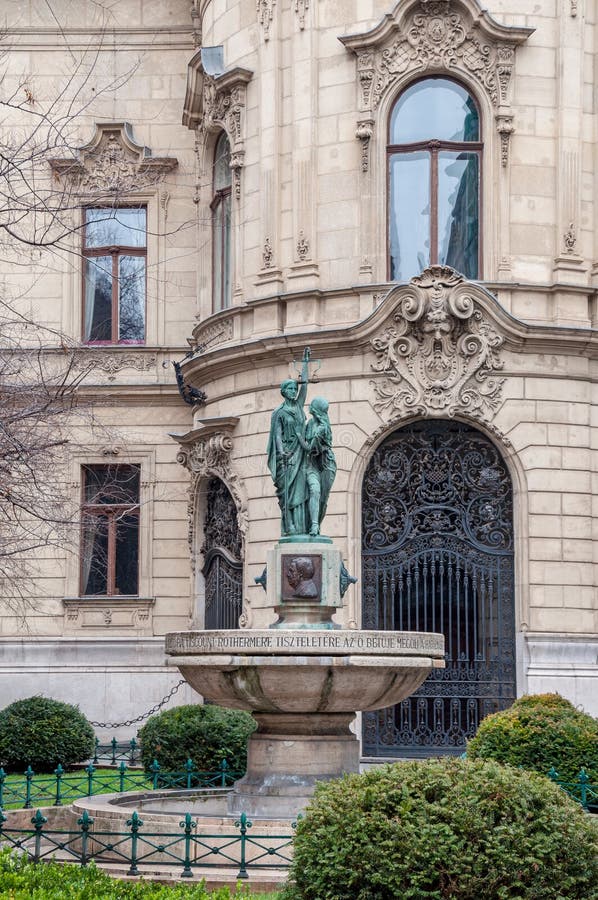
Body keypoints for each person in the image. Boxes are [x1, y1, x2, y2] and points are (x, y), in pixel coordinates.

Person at [267, 353, 310, 535]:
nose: (293, 391)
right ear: (283, 391)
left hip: (301, 452)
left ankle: (301, 525)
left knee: (302, 487)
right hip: (287, 454)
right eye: (290, 389)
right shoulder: (279, 412)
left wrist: (305, 364)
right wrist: (281, 452)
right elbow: (276, 435)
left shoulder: (299, 406)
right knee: (286, 490)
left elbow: (304, 387)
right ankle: (289, 523)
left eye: (294, 388)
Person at [304, 397, 337, 536]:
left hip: (326, 464)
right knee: (314, 491)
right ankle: (314, 525)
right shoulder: (309, 424)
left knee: (323, 500)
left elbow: (311, 446)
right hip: (312, 463)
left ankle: (317, 524)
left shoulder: (324, 426)